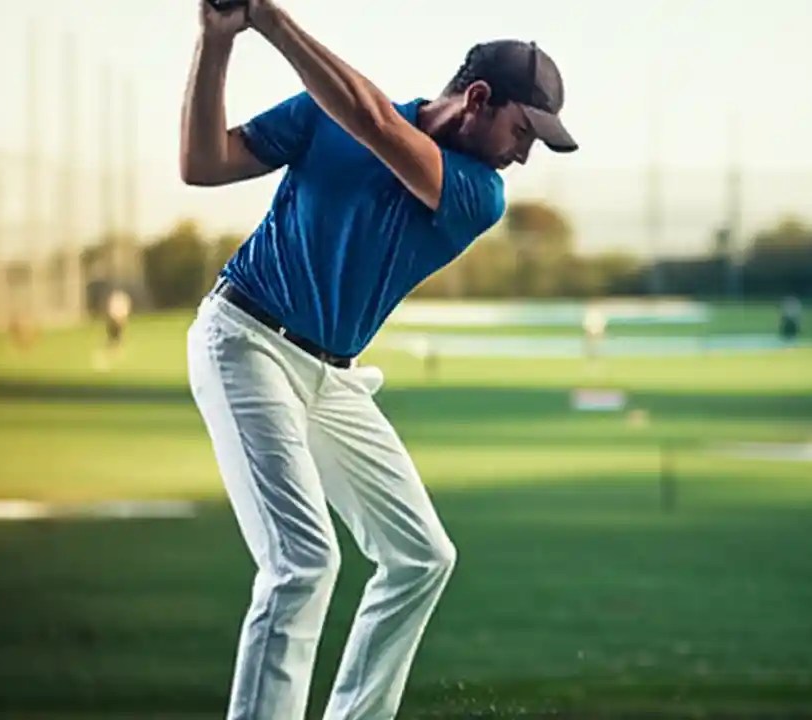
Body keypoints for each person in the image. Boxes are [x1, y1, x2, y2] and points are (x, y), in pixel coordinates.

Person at [180, 2, 577, 718]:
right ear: (479, 99)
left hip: (331, 378)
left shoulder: (478, 192)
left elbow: (375, 125)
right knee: (303, 563)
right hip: (244, 341)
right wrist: (216, 43)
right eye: (523, 131)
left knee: (422, 556)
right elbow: (203, 164)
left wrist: (267, 18)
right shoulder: (324, 110)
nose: (524, 155)